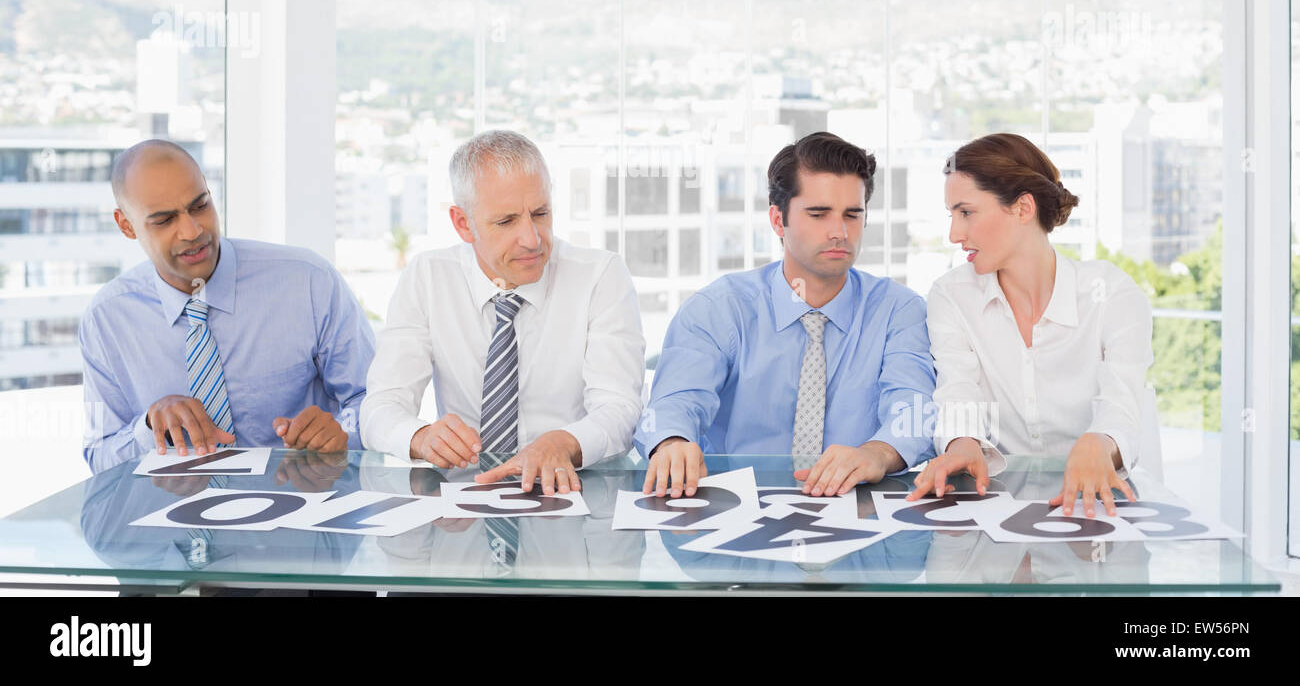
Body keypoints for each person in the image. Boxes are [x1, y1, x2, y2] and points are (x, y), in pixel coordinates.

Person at [636, 132, 937, 499]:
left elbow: (915, 407)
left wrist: (878, 452)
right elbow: (675, 401)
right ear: (778, 221)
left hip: (858, 516)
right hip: (735, 521)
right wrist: (672, 442)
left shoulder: (898, 310)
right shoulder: (718, 309)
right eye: (818, 214)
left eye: (852, 215)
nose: (840, 232)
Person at [359, 130, 645, 497]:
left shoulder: (600, 276)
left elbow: (620, 408)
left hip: (574, 494)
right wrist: (420, 437)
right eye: (506, 221)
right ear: (463, 224)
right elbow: (380, 408)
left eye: (540, 213)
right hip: (465, 503)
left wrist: (563, 442)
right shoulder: (428, 277)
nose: (532, 238)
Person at [80, 139, 374, 474]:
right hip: (174, 520)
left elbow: (375, 402)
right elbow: (98, 455)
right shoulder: (105, 320)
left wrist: (342, 434)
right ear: (126, 225)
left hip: (304, 508)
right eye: (164, 220)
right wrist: (148, 429)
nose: (192, 231)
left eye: (200, 205)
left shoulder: (308, 281)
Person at [906, 133, 1153, 518]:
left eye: (966, 212)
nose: (955, 234)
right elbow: (957, 389)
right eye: (951, 215)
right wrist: (962, 442)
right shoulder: (951, 296)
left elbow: (1122, 402)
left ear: (1022, 209)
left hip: (1099, 509)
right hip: (997, 511)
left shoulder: (1112, 295)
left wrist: (1100, 441)